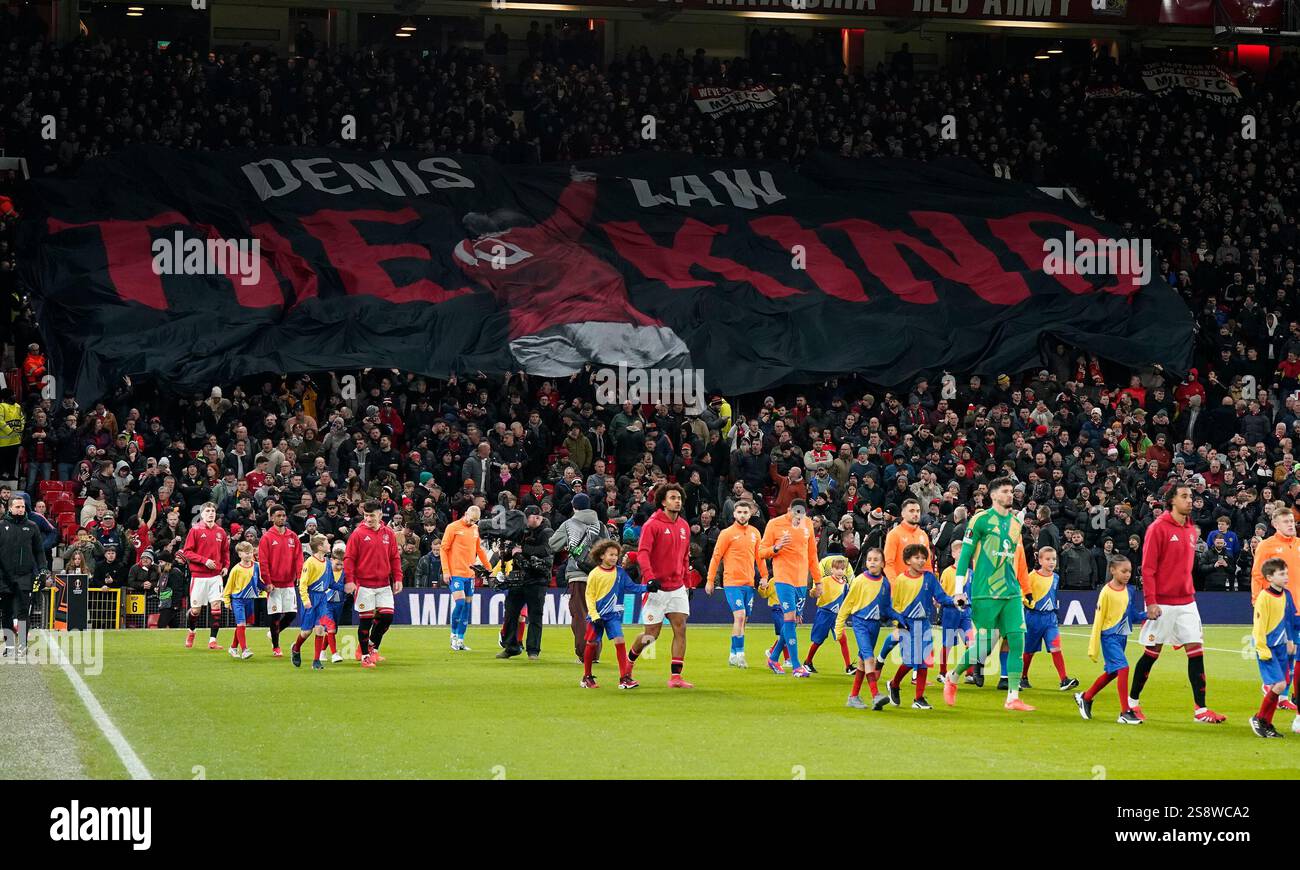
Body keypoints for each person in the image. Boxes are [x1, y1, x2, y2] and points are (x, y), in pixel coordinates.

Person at [1128, 483, 1226, 723]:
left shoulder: (1192, 530)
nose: (1190, 500)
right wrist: (1150, 601)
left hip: (1187, 602)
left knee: (1196, 651)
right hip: (1162, 602)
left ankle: (1201, 710)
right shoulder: (1157, 528)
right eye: (1184, 496)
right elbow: (1148, 569)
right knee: (1152, 652)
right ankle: (1132, 703)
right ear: (1171, 500)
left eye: (1191, 496)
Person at [942, 477, 1032, 711]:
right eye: (1005, 491)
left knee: (1017, 641)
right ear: (993, 495)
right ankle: (953, 676)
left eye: (1012, 491)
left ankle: (1012, 696)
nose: (1010, 495)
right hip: (985, 592)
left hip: (1011, 592)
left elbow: (1016, 559)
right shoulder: (979, 520)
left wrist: (1024, 586)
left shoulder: (1016, 524)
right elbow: (965, 556)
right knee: (985, 646)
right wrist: (959, 590)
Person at [626, 483, 693, 688]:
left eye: (679, 498)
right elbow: (643, 553)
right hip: (656, 588)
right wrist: (649, 577)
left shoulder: (684, 526)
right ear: (663, 501)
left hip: (677, 587)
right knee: (650, 635)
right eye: (673, 497)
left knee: (680, 629)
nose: (677, 501)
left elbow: (685, 556)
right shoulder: (652, 524)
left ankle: (675, 677)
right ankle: (627, 666)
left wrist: (688, 583)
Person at [1075, 555, 1146, 725]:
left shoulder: (1130, 590)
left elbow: (1132, 615)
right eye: (1123, 571)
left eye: (1129, 571)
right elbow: (1098, 619)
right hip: (1109, 637)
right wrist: (1094, 646)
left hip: (1122, 637)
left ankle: (1086, 697)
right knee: (1124, 668)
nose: (1127, 574)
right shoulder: (1106, 592)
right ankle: (1124, 712)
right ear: (1112, 570)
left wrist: (1147, 615)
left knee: (1113, 672)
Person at [887, 543, 957, 710]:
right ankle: (894, 684)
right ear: (908, 560)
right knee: (911, 661)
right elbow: (895, 606)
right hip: (908, 624)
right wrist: (898, 624)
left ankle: (918, 698)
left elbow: (941, 597)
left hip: (924, 624)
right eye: (917, 557)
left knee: (924, 661)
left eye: (923, 558)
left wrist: (954, 601)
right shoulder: (901, 580)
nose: (921, 561)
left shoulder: (930, 578)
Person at [757, 499, 820, 677]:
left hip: (801, 580)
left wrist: (818, 581)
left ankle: (773, 657)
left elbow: (812, 555)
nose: (798, 518)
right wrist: (776, 547)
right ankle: (796, 666)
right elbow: (761, 552)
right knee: (790, 618)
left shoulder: (808, 525)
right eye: (796, 513)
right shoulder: (774, 524)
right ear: (788, 510)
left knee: (793, 621)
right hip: (783, 578)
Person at [836, 548, 903, 711]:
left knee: (861, 661)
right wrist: (839, 626)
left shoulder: (885, 583)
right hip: (860, 623)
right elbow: (847, 604)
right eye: (870, 559)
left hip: (875, 626)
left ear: (882, 564)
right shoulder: (859, 580)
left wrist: (899, 619)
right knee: (869, 658)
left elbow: (886, 608)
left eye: (876, 559)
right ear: (866, 562)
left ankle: (853, 696)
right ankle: (875, 695)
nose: (872, 562)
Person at [704, 497, 766, 668]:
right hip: (732, 582)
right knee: (739, 616)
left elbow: (759, 557)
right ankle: (740, 654)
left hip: (748, 583)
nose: (742, 515)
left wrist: (764, 576)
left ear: (751, 513)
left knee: (743, 619)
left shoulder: (755, 533)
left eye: (745, 512)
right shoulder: (726, 534)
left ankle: (732, 654)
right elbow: (716, 557)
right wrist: (710, 580)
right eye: (739, 512)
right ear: (734, 514)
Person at [1250, 504, 1300, 711]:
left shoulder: (1299, 544)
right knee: (1284, 653)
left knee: (1294, 653)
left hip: (1298, 608)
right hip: (1279, 609)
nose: (1291, 525)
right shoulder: (1267, 545)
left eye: (1292, 521)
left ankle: (1282, 694)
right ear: (1275, 524)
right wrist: (1256, 601)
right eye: (1286, 522)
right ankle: (1280, 693)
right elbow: (1258, 575)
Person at [579, 541, 647, 689]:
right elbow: (589, 596)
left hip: (613, 615)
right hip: (597, 616)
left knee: (620, 641)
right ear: (602, 555)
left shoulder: (620, 572)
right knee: (592, 643)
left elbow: (632, 587)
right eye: (611, 554)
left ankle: (624, 678)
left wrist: (648, 587)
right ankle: (587, 676)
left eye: (616, 555)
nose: (614, 558)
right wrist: (594, 615)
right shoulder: (594, 574)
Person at [549, 492, 608, 661]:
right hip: (599, 577)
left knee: (580, 615)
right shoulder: (601, 525)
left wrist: (570, 544)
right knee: (596, 615)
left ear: (574, 507)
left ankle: (585, 654)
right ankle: (596, 653)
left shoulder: (569, 524)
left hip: (578, 576)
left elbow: (553, 544)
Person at [343, 500, 402, 668]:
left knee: (387, 617)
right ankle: (365, 656)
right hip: (364, 584)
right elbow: (349, 559)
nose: (369, 519)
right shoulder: (358, 534)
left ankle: (371, 646)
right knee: (366, 621)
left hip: (384, 584)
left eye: (372, 515)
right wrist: (350, 580)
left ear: (380, 515)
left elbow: (394, 558)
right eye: (366, 515)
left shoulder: (388, 533)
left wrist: (398, 578)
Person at [1250, 558, 1300, 737]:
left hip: (1282, 648)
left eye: (1286, 573)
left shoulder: (1287, 595)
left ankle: (1267, 724)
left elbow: (1291, 620)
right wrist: (1262, 648)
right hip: (1268, 648)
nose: (1286, 577)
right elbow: (1259, 625)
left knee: (1282, 683)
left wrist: (1292, 640)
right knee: (1279, 685)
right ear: (1270, 577)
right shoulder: (1264, 597)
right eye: (1281, 574)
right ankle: (1259, 718)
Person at [496, 506, 552, 661]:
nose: (527, 521)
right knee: (510, 613)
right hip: (518, 578)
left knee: (535, 616)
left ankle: (533, 650)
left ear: (536, 517)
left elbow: (546, 550)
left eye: (530, 518)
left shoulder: (546, 532)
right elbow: (509, 555)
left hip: (537, 579)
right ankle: (511, 646)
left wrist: (522, 549)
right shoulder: (520, 533)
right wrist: (506, 550)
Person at [1021, 547, 1079, 692]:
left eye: (1053, 559)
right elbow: (1022, 595)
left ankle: (1064, 679)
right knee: (1029, 651)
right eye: (1047, 559)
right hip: (1033, 619)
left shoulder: (1056, 577)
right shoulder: (1032, 576)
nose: (1051, 562)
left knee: (1056, 647)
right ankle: (1023, 677)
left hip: (1050, 619)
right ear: (1040, 560)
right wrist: (1030, 603)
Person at [440, 504, 494, 652]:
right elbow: (443, 549)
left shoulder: (475, 529)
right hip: (455, 573)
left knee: (467, 607)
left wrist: (489, 568)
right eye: (471, 520)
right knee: (460, 603)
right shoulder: (453, 527)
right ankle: (453, 636)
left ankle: (461, 639)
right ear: (465, 514)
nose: (472, 523)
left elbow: (479, 550)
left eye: (475, 521)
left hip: (469, 574)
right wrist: (446, 570)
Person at [0, 495, 47, 657]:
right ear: (10, 508)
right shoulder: (1, 526)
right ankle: (10, 645)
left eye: (23, 507)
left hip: (24, 576)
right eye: (17, 507)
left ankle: (22, 645)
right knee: (6, 613)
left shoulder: (32, 526)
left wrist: (43, 569)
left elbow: (39, 551)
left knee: (22, 612)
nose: (21, 509)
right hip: (4, 577)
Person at [181, 502, 230, 651]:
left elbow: (225, 552)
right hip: (199, 576)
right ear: (202, 514)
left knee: (216, 607)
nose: (211, 513)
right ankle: (191, 632)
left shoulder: (221, 532)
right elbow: (187, 552)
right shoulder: (195, 530)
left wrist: (226, 566)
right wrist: (204, 561)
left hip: (215, 577)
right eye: (208, 511)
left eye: (213, 511)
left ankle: (213, 640)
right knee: (195, 611)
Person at [292, 534, 345, 670]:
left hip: (322, 599)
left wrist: (345, 587)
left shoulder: (327, 562)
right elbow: (302, 584)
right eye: (327, 543)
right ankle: (296, 648)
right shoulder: (309, 562)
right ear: (320, 547)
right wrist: (305, 600)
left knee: (320, 629)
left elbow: (331, 582)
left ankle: (316, 661)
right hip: (311, 598)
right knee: (306, 632)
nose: (329, 545)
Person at [257, 504, 303, 657]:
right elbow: (263, 562)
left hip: (289, 582)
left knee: (291, 614)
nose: (282, 518)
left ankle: (272, 633)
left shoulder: (293, 537)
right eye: (278, 516)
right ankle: (276, 647)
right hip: (274, 584)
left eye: (283, 515)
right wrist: (267, 581)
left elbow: (299, 558)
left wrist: (300, 575)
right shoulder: (267, 538)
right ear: (271, 518)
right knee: (275, 616)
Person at [804, 555, 853, 674]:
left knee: (843, 639)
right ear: (832, 570)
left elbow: (845, 601)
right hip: (824, 613)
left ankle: (848, 666)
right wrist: (815, 592)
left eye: (843, 569)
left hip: (837, 616)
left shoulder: (845, 585)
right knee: (818, 640)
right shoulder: (824, 581)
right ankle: (807, 662)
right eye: (838, 569)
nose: (840, 571)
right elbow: (813, 593)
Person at [937, 538, 974, 684]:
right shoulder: (947, 572)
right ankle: (942, 672)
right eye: (960, 551)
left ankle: (969, 674)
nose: (964, 553)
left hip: (966, 613)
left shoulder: (971, 573)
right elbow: (942, 593)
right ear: (953, 554)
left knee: (971, 641)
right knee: (948, 643)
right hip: (950, 612)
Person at [221, 541, 263, 660]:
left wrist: (266, 588)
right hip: (238, 599)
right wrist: (227, 601)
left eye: (250, 552)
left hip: (250, 600)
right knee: (241, 624)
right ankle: (244, 650)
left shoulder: (256, 566)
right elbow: (229, 586)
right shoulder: (236, 569)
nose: (249, 555)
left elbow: (259, 582)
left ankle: (233, 647)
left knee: (243, 625)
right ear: (240, 554)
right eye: (246, 553)